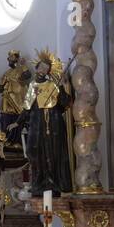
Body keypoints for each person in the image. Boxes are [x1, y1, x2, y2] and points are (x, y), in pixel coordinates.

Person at [24, 50, 73, 195]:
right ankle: (40, 181)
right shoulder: (32, 86)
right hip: (37, 125)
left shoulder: (53, 85)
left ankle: (54, 181)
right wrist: (17, 123)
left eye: (46, 68)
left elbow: (65, 103)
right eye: (41, 67)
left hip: (54, 124)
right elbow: (26, 108)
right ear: (37, 68)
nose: (43, 70)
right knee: (34, 152)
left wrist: (63, 85)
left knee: (54, 153)